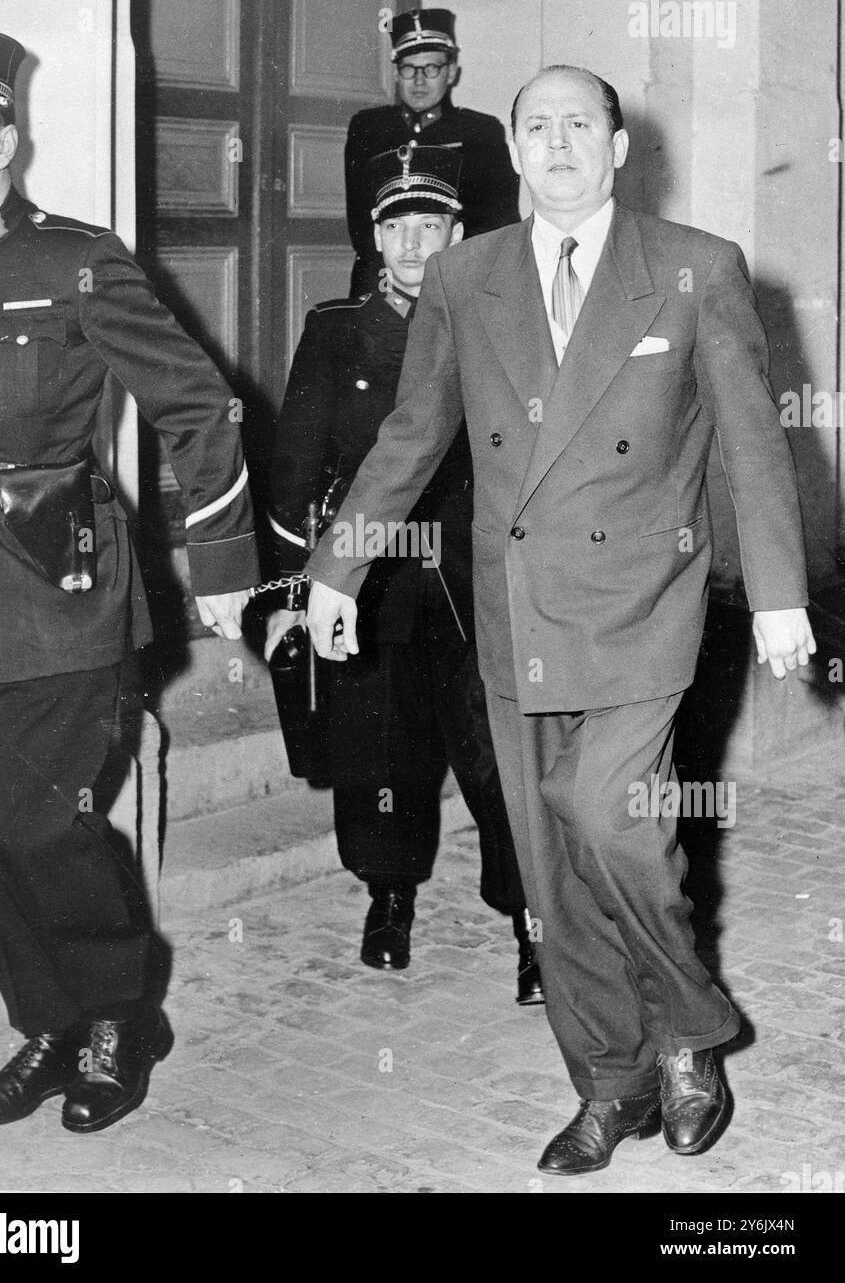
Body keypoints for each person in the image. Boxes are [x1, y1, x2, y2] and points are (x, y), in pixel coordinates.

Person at [306, 65, 815, 1176]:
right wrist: (338, 568)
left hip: (641, 603)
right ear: (515, 154)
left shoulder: (692, 268)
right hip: (514, 606)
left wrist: (777, 595)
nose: (555, 144)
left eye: (577, 125)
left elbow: (747, 440)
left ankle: (689, 1030)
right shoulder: (462, 274)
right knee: (550, 870)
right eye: (535, 128)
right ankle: (611, 1078)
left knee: (609, 814)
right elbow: (413, 432)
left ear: (618, 147)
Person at [0, 28, 257, 1134]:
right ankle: (49, 1026)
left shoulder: (76, 259)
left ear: (7, 143)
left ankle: (120, 1013)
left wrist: (220, 566)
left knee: (40, 823)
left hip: (59, 586)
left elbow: (197, 405)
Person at [264, 144, 542, 1002]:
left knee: (500, 753)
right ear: (375, 239)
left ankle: (531, 922)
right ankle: (388, 898)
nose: (416, 245)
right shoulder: (336, 331)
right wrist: (292, 589)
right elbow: (293, 469)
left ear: (459, 233)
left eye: (433, 226)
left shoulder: (502, 324)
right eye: (398, 228)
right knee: (378, 746)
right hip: (369, 579)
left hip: (478, 575)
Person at [344, 8, 520, 296]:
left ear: (451, 72)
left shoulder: (481, 131)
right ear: (395, 73)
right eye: (409, 69)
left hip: (458, 278)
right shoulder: (367, 128)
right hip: (382, 278)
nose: (419, 80)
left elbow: (498, 223)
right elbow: (361, 223)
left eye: (431, 68)